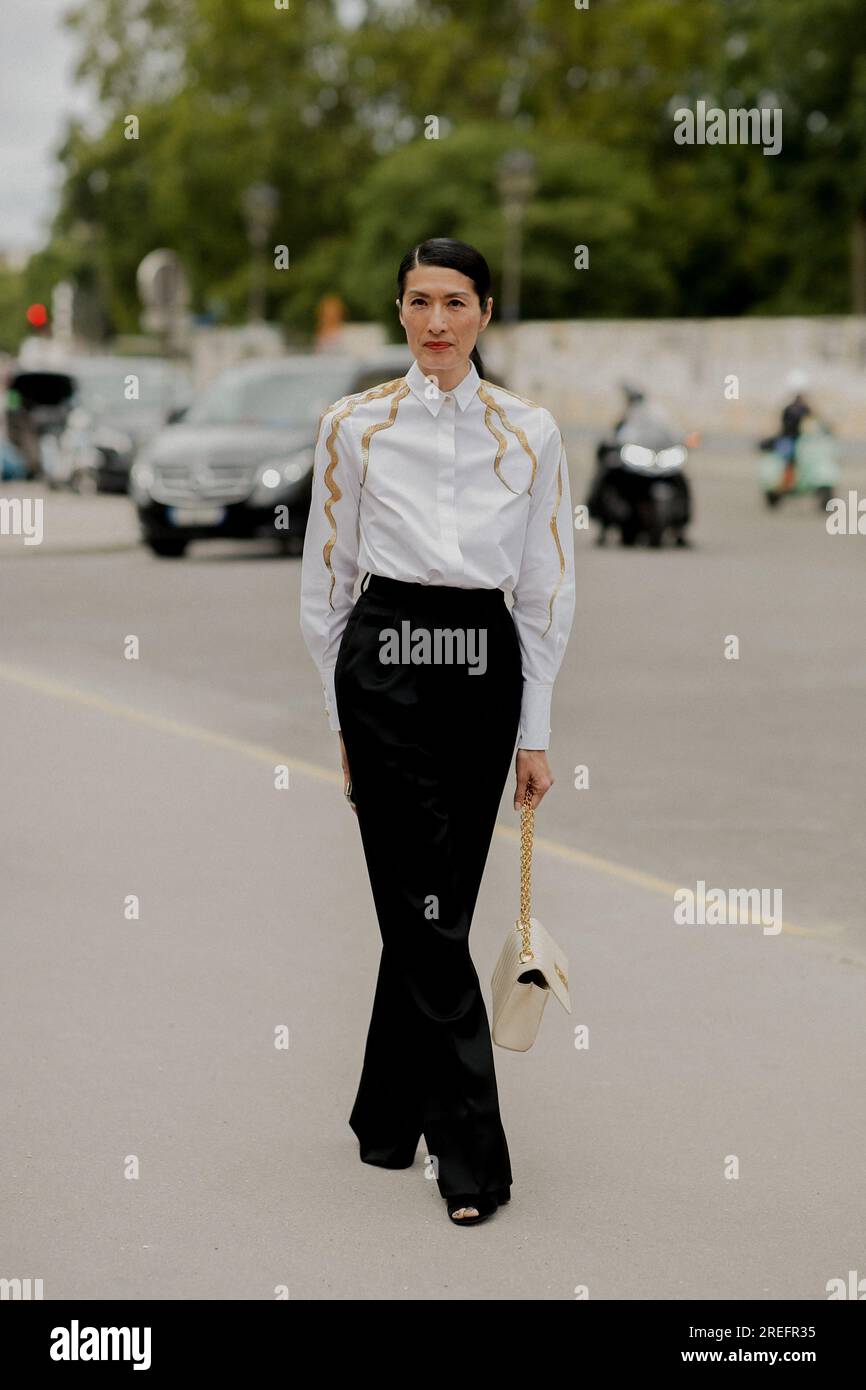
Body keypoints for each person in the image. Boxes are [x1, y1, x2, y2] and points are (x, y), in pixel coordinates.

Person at [299, 237, 576, 1226]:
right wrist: (341, 717)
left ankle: (383, 1117)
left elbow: (545, 589)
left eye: (454, 302)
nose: (435, 323)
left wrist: (535, 729)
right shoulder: (353, 424)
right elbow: (324, 584)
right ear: (399, 310)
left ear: (485, 312)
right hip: (386, 661)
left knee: (437, 903)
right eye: (418, 302)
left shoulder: (531, 431)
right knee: (421, 909)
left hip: (482, 664)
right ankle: (470, 1155)